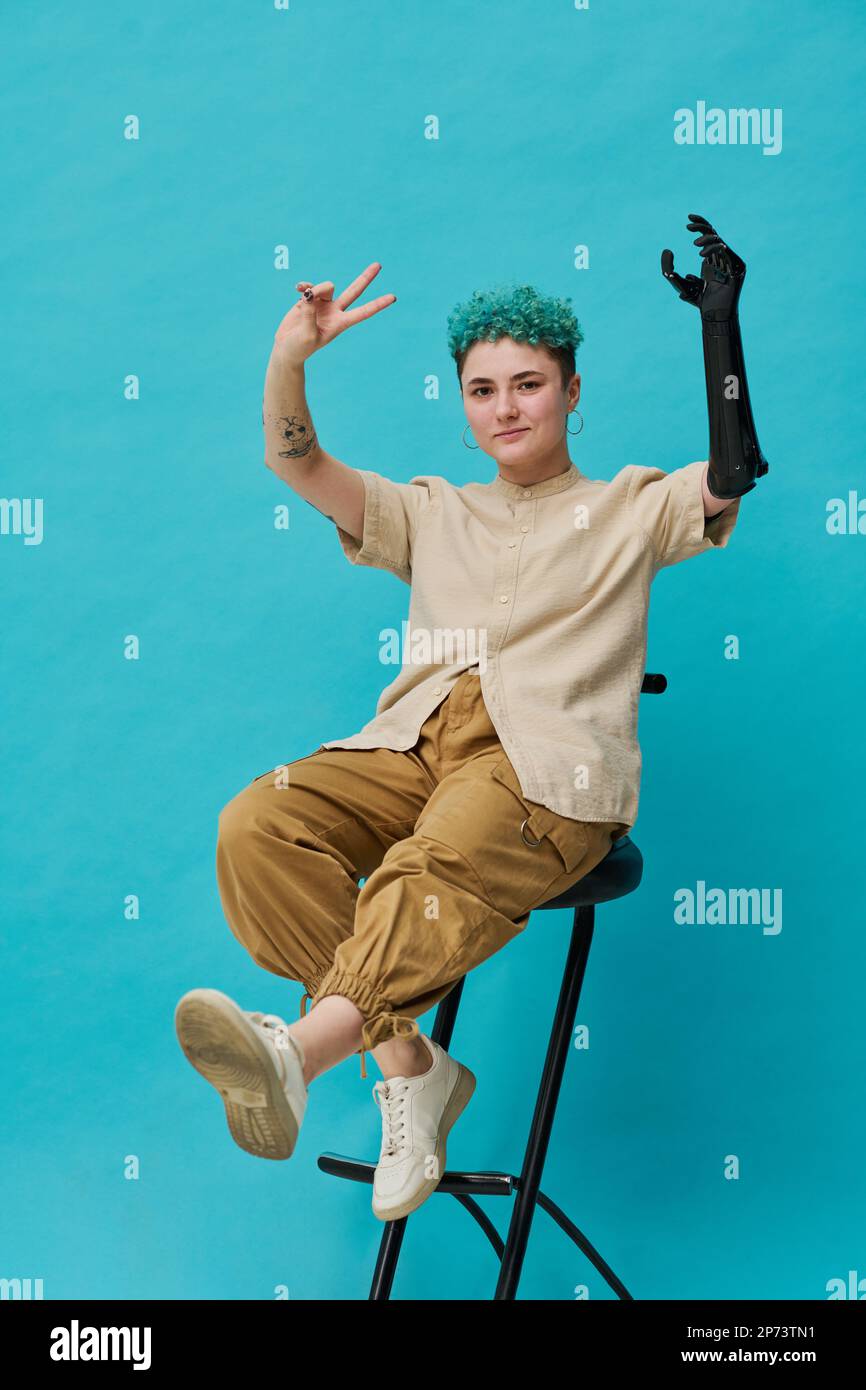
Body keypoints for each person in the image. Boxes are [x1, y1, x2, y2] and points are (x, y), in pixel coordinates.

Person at [175, 216, 768, 1223]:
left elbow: (731, 474)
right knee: (256, 824)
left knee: (427, 861)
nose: (505, 407)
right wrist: (289, 354)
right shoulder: (428, 509)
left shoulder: (630, 504)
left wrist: (718, 328)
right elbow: (295, 461)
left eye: (528, 383)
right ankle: (409, 1065)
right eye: (483, 389)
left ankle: (299, 1054)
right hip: (415, 747)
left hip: (545, 771)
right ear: (461, 404)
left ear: (570, 392)